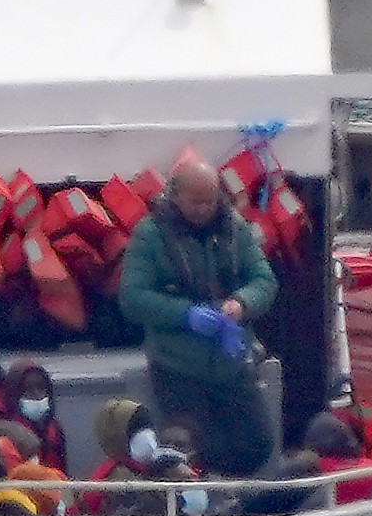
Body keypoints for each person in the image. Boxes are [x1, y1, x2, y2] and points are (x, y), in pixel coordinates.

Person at [116, 159, 276, 477]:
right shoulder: (150, 236)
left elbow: (264, 280)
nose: (204, 209)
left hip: (231, 363)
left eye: (210, 201)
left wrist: (241, 303)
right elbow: (132, 297)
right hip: (177, 368)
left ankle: (232, 500)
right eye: (196, 202)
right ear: (175, 197)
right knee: (192, 447)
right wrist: (185, 315)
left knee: (257, 443)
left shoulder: (236, 228)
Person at [7, 361, 70, 472]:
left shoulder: (55, 428)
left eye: (41, 388)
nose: (36, 395)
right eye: (27, 389)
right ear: (14, 394)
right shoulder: (5, 432)